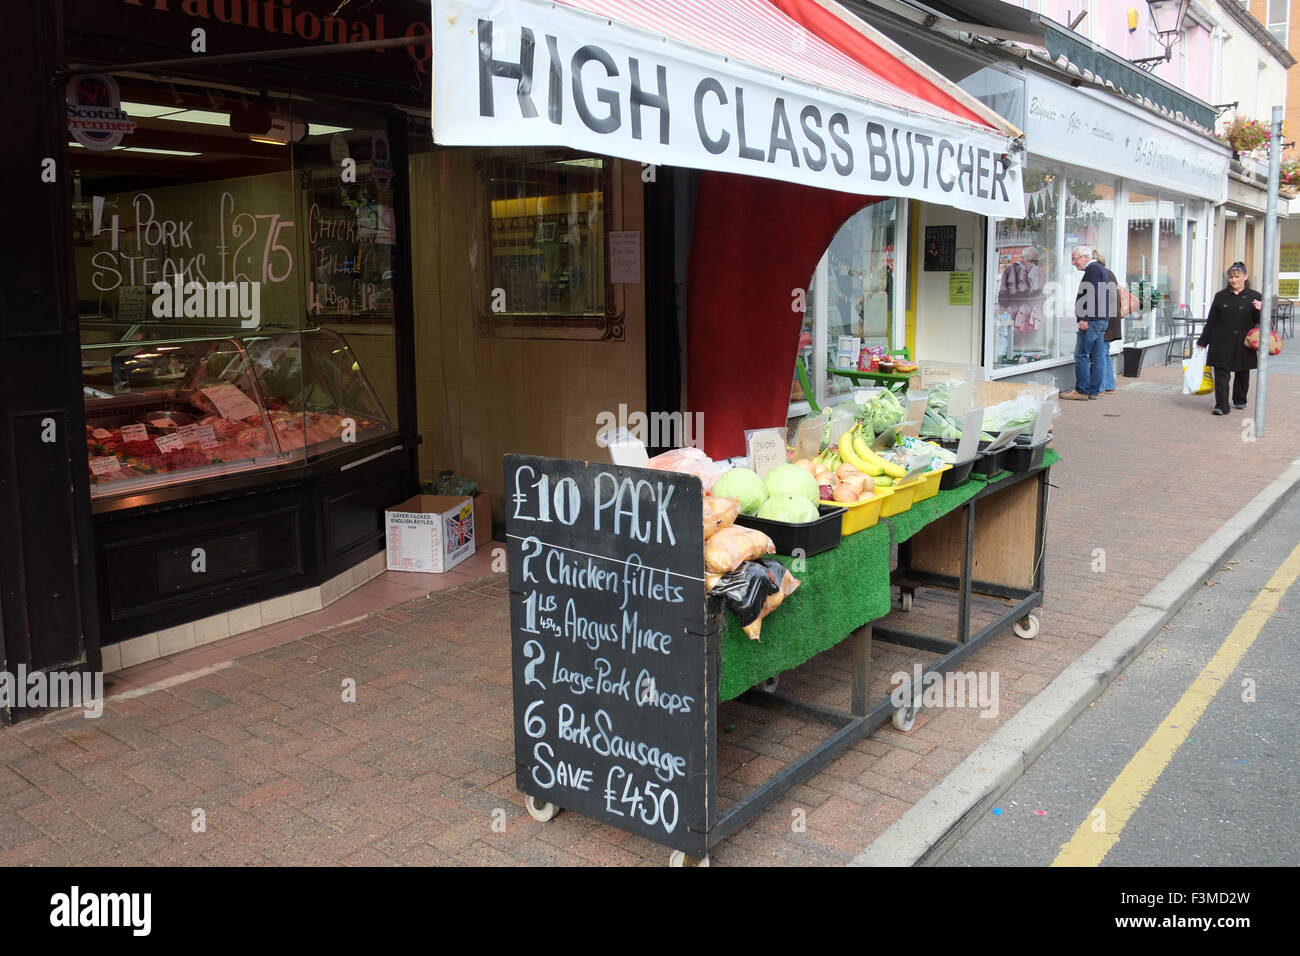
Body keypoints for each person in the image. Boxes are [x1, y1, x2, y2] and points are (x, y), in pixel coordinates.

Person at [1196, 261, 1262, 415]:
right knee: (1221, 374)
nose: (1234, 280)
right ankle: (1221, 406)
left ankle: (1240, 400)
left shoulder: (1255, 296)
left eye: (1237, 277)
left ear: (1245, 277)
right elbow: (1211, 320)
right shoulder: (1220, 296)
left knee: (1242, 373)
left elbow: (1262, 321)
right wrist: (1203, 341)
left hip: (1244, 343)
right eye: (1231, 277)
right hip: (1221, 341)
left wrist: (1261, 309)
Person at [1060, 246, 1112, 400]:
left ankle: (1082, 391)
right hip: (1100, 319)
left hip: (1092, 320)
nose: (1073, 263)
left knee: (1081, 355)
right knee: (1097, 356)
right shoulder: (1100, 269)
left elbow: (1092, 295)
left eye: (1075, 258)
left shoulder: (1093, 270)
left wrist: (1084, 318)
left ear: (1086, 257)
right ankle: (1093, 391)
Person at [1093, 249, 1123, 393]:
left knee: (1101, 352)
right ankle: (1109, 384)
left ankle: (1101, 386)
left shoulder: (1100, 274)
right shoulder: (1109, 273)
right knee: (1105, 352)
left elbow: (1102, 299)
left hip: (1106, 318)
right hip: (1113, 317)